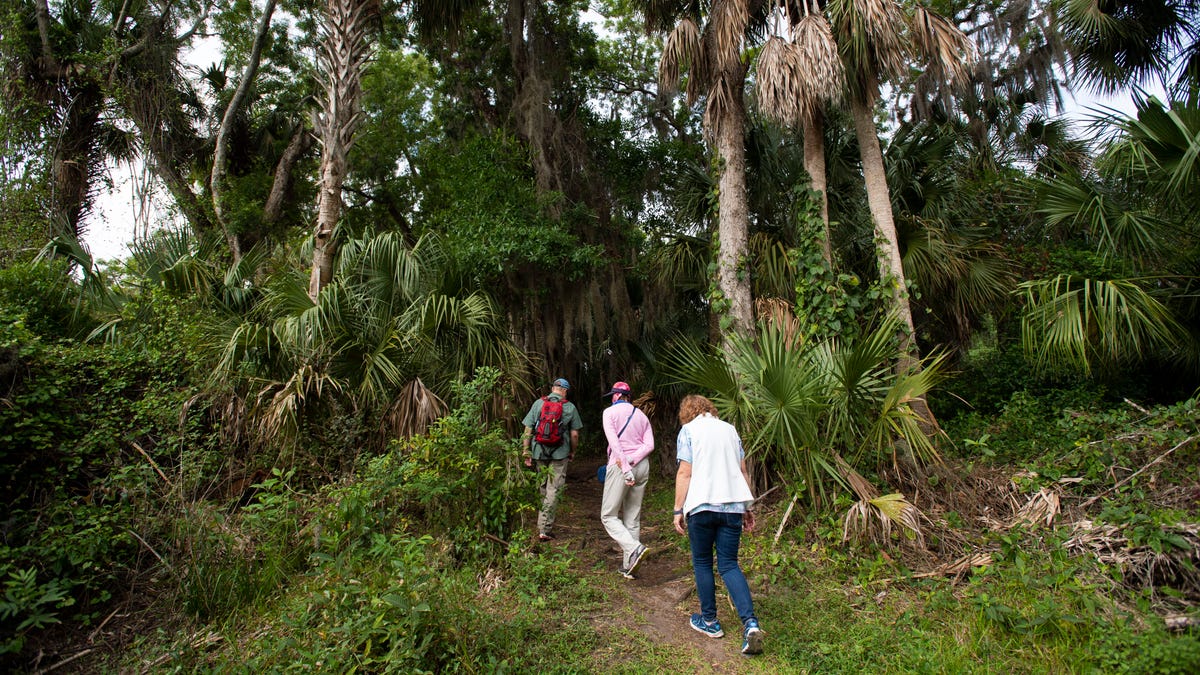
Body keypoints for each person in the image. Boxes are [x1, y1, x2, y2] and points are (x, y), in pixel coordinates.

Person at [672, 394, 765, 655]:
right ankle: (750, 624)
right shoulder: (730, 430)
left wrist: (678, 509)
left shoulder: (688, 431)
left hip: (701, 505)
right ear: (710, 409)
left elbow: (685, 472)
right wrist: (747, 507)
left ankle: (710, 621)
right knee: (729, 564)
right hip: (733, 506)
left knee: (702, 562)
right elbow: (743, 470)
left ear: (688, 413)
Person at [599, 381, 654, 579]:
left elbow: (614, 443)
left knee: (608, 515)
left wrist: (625, 465)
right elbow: (649, 445)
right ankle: (630, 566)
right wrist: (633, 460)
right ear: (629, 397)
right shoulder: (641, 415)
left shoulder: (609, 413)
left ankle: (634, 549)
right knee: (632, 516)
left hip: (621, 465)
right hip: (642, 466)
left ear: (616, 396)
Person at [522, 377, 582, 542]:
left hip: (539, 452)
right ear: (564, 390)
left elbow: (528, 429)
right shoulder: (569, 407)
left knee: (543, 486)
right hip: (560, 453)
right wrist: (572, 451)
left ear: (553, 388)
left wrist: (526, 450)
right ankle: (544, 530)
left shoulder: (538, 404)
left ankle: (540, 526)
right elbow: (575, 434)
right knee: (553, 489)